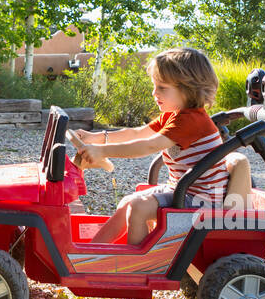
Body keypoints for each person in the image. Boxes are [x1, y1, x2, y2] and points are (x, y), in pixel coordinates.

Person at [72, 48, 251, 245]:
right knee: (126, 203)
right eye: (154, 85)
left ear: (188, 89)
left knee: (138, 207)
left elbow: (149, 146)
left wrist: (102, 151)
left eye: (162, 88)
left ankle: (138, 268)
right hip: (182, 191)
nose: (154, 92)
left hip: (202, 201)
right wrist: (96, 138)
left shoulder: (191, 120)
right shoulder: (174, 115)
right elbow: (138, 133)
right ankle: (91, 252)